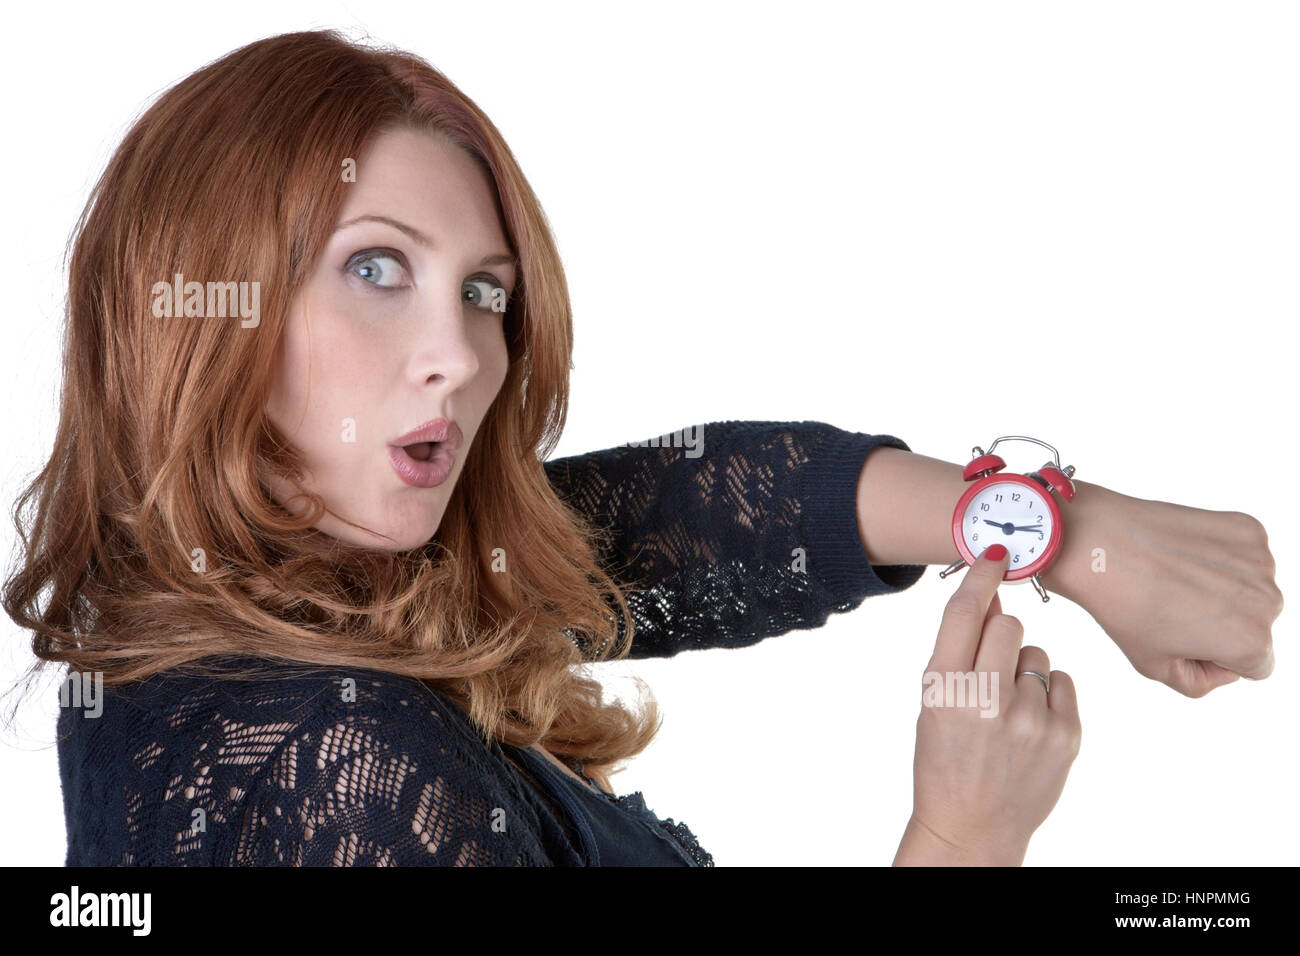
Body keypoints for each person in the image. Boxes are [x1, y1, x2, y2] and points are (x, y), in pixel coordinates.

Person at [3, 30, 1280, 866]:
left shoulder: (241, 612)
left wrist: (1062, 523)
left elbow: (671, 517)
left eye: (485, 291)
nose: (458, 350)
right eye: (375, 268)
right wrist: (963, 830)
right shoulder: (344, 776)